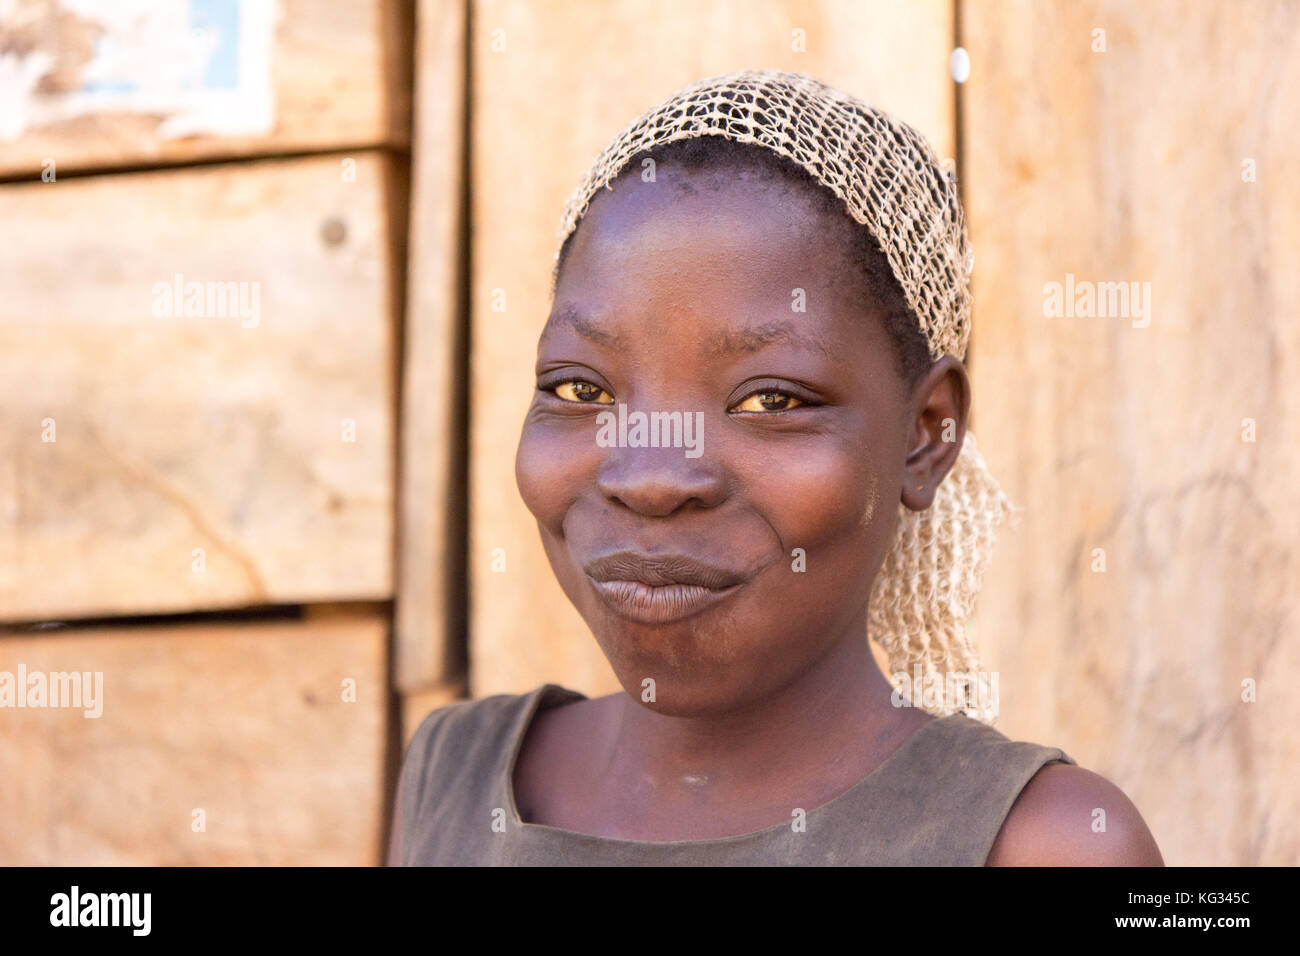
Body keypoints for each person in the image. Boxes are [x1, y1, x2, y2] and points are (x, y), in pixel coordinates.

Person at [389, 70, 1163, 865]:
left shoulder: (1044, 846)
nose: (652, 478)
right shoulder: (455, 778)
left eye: (770, 402)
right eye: (580, 388)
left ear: (927, 434)